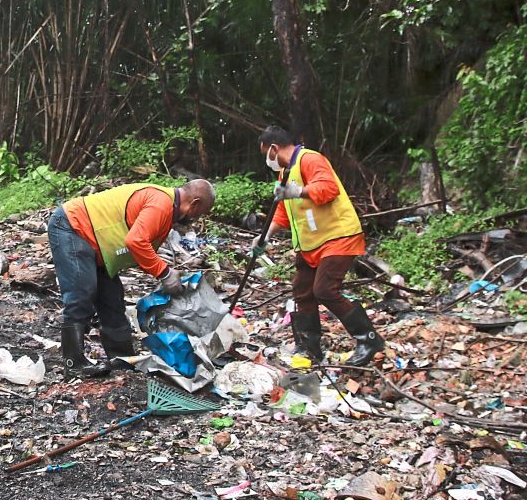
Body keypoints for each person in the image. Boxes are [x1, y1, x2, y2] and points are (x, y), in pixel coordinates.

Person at [48, 179, 215, 377]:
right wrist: (165, 273)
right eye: (199, 213)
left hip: (97, 245)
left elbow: (140, 249)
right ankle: (73, 363)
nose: (196, 218)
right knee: (81, 293)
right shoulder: (161, 204)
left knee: (112, 300)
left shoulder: (166, 209)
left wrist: (163, 273)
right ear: (194, 203)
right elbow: (136, 241)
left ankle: (123, 360)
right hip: (73, 226)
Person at [251, 125, 385, 367]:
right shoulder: (285, 174)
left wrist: (299, 191)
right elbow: (284, 211)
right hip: (310, 245)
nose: (268, 161)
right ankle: (308, 347)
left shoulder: (310, 159)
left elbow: (328, 189)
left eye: (266, 155)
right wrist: (266, 235)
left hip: (337, 235)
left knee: (325, 289)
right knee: (302, 290)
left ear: (273, 148)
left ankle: (369, 339)